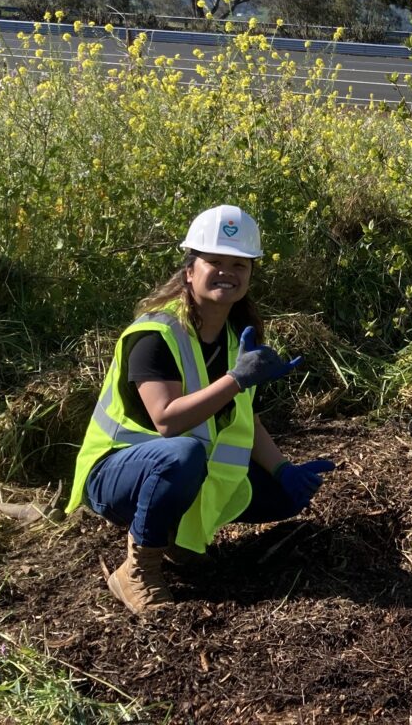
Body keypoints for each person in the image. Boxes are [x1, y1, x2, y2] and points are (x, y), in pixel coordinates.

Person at [67, 205, 336, 616]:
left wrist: (283, 470)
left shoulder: (234, 337)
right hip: (116, 475)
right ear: (190, 269)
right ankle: (138, 570)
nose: (227, 272)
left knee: (280, 497)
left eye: (239, 265)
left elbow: (245, 416)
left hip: (177, 467)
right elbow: (167, 420)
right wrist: (237, 379)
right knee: (181, 455)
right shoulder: (155, 335)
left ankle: (176, 537)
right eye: (215, 261)